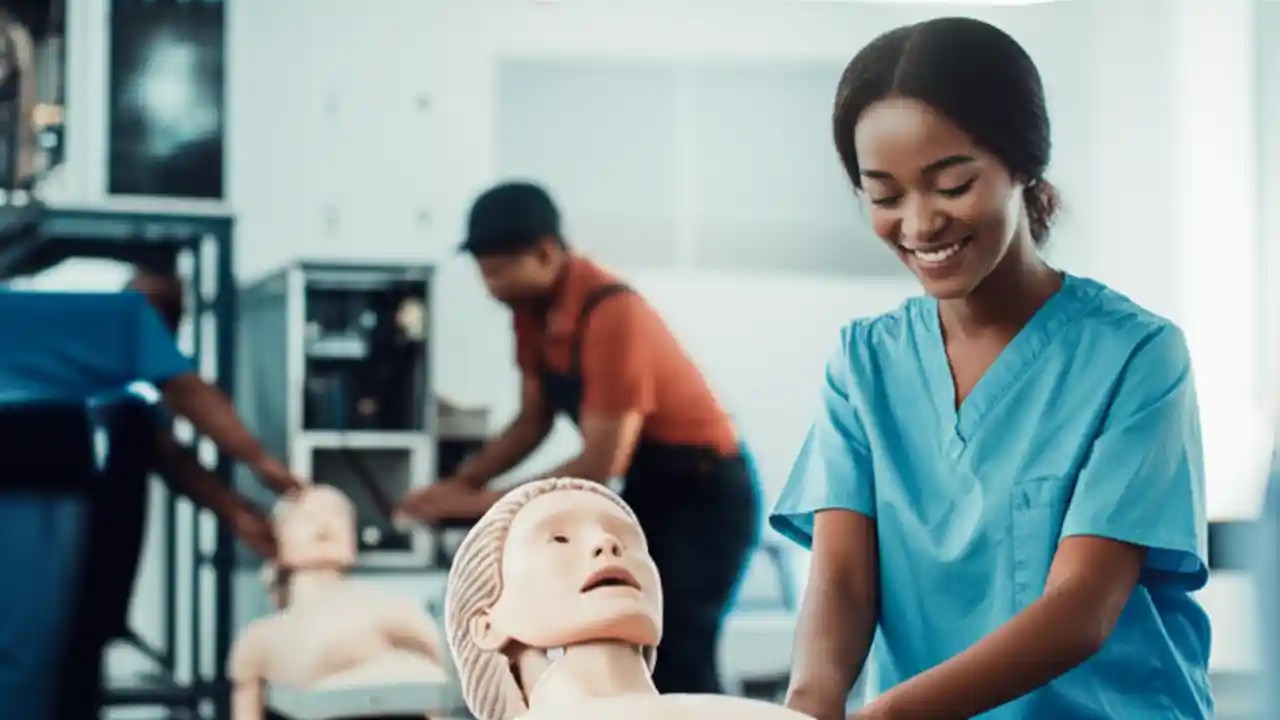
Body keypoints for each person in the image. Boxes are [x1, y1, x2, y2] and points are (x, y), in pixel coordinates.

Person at [769, 17, 1212, 720]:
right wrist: (806, 708)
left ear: (1022, 162)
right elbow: (844, 584)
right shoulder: (863, 365)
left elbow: (1081, 607)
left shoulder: (1138, 356)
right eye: (884, 196)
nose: (918, 224)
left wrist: (885, 715)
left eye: (950, 185)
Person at [396, 181, 760, 694]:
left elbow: (600, 464)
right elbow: (532, 421)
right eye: (483, 270)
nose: (488, 286)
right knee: (627, 644)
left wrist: (477, 506)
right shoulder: (530, 314)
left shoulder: (612, 311)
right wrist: (458, 484)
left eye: (497, 270)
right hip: (652, 490)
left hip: (705, 495)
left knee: (677, 641)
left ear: (546, 253)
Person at [125, 266, 281, 556]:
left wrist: (236, 511)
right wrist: (261, 461)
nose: (157, 329)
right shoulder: (103, 355)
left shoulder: (139, 396)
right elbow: (186, 390)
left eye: (170, 315)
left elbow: (166, 452)